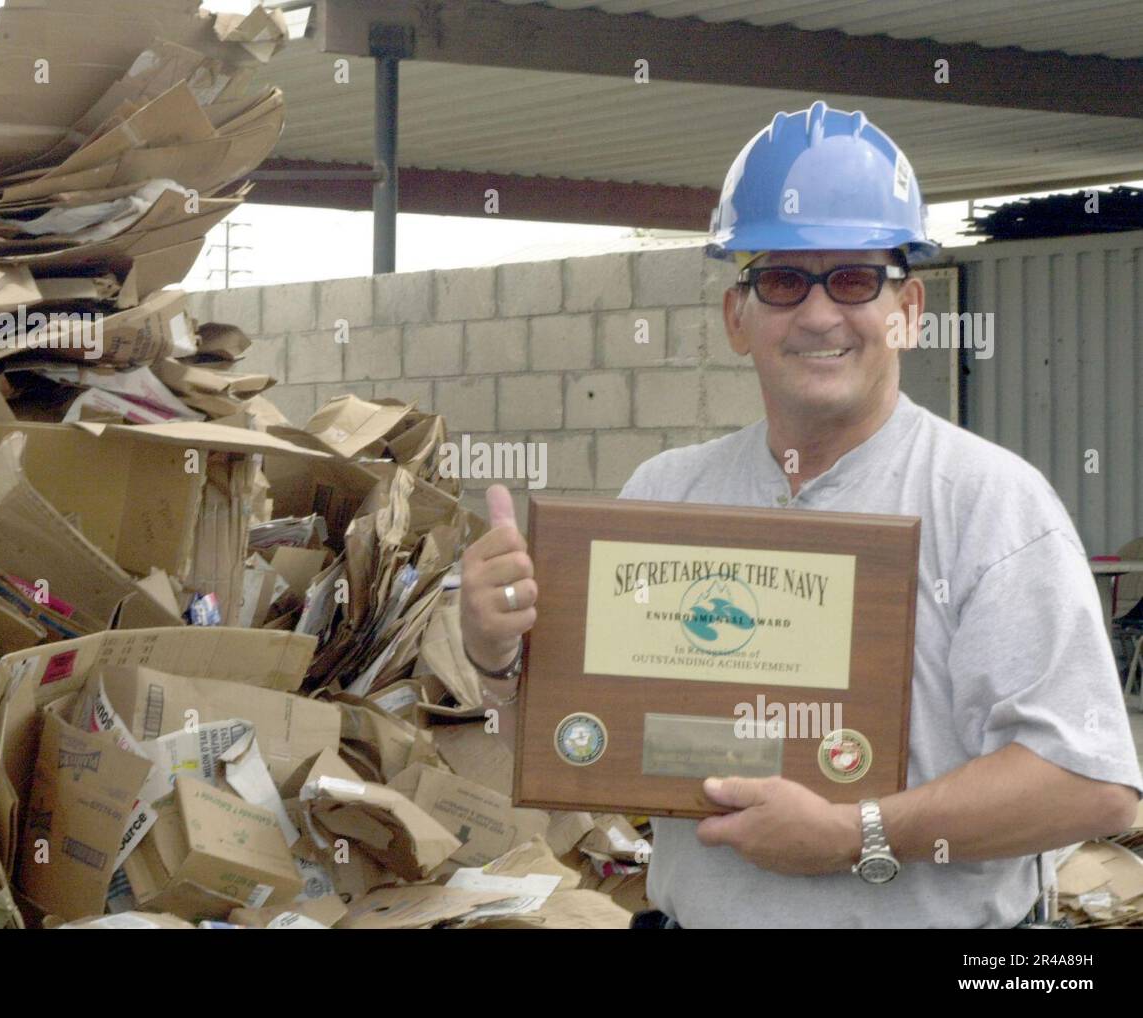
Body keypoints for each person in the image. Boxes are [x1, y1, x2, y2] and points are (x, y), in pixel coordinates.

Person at [458, 101, 1143, 929]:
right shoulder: (661, 497)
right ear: (736, 318)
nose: (819, 315)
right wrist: (495, 652)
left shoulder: (992, 504)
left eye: (854, 279)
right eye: (782, 280)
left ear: (910, 311)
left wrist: (854, 835)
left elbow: (1092, 787)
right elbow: (575, 745)